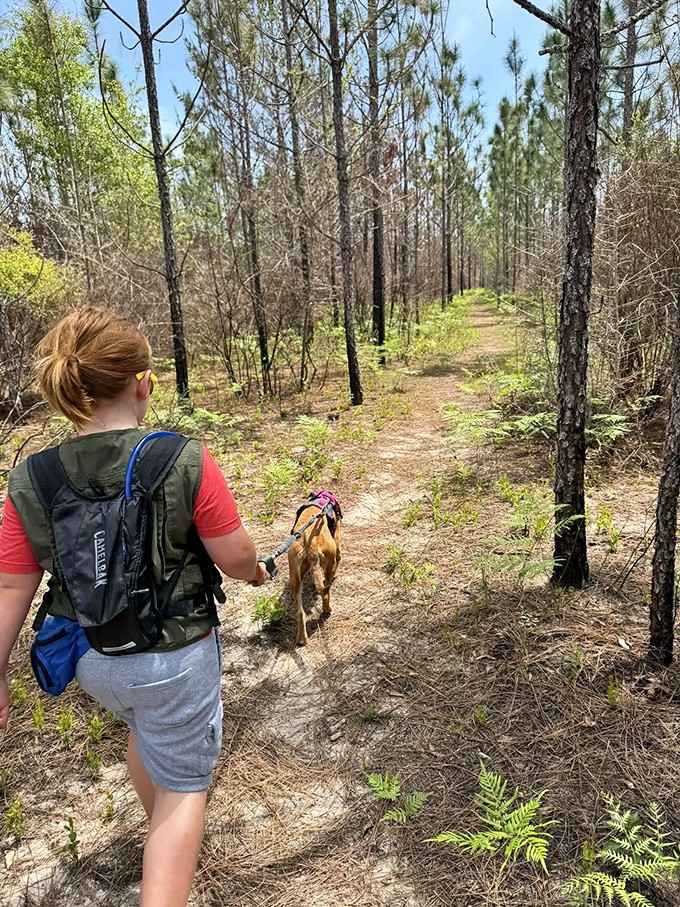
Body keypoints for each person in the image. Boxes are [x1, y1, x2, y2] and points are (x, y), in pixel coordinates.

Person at [0, 307, 268, 907]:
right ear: (143, 382)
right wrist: (255, 572)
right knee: (183, 792)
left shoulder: (34, 477)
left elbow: (10, 588)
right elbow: (235, 555)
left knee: (144, 733)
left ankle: (161, 836)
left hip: (93, 662)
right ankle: (169, 848)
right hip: (173, 659)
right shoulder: (182, 458)